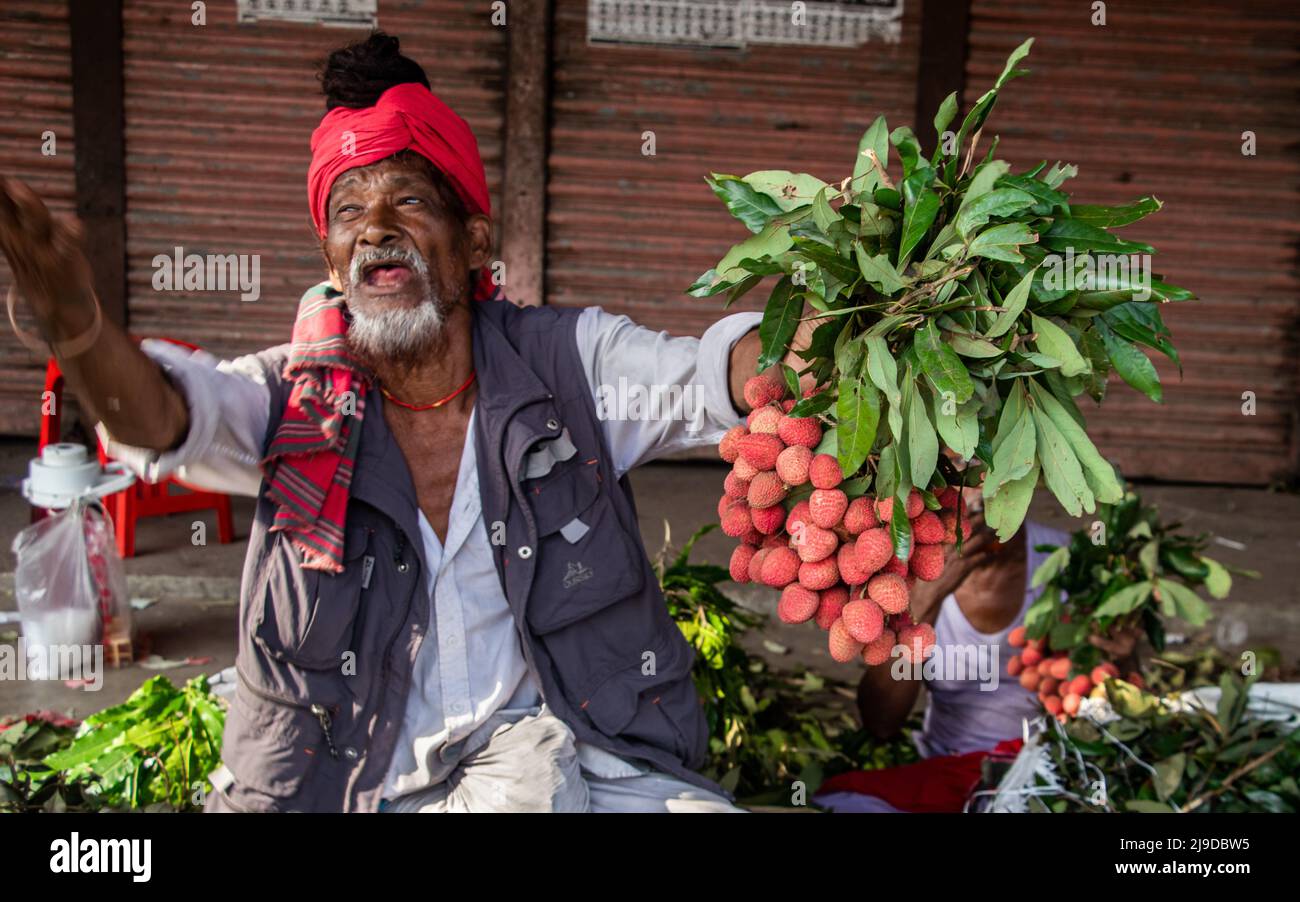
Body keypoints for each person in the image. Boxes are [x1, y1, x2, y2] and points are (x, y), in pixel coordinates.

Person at [0, 33, 813, 812]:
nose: (376, 226)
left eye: (409, 200)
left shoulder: (570, 367)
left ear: (472, 242)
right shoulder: (294, 403)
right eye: (349, 208)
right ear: (331, 259)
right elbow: (165, 419)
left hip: (583, 764)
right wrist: (79, 328)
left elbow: (717, 377)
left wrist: (835, 331)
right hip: (357, 789)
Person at [815, 505, 1139, 812]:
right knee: (840, 803)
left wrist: (1124, 658)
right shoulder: (913, 577)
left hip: (1051, 766)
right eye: (963, 482)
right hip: (949, 767)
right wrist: (923, 605)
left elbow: (1129, 709)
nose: (978, 502)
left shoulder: (1073, 563)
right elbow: (881, 723)